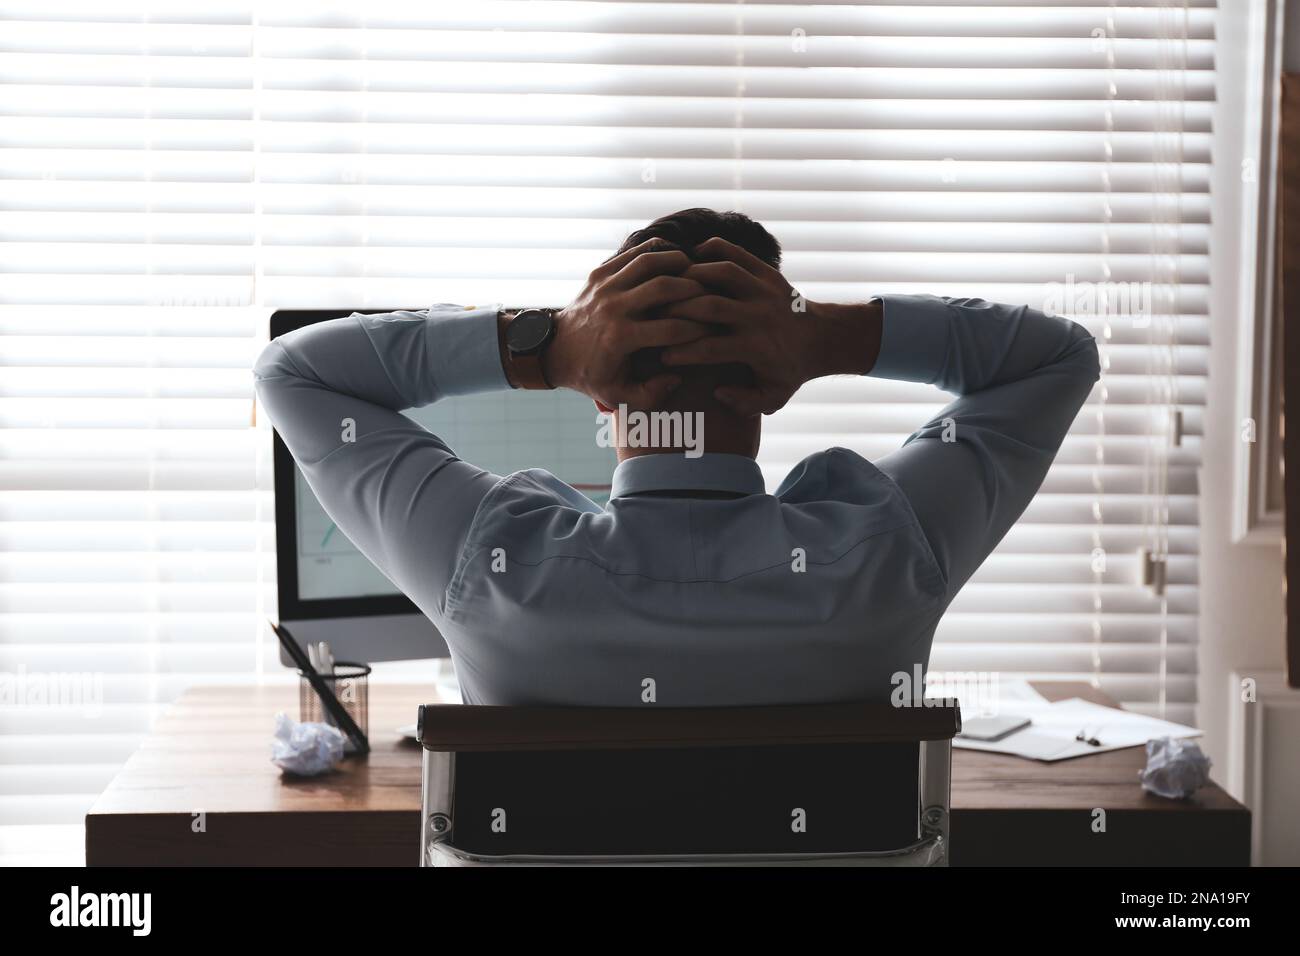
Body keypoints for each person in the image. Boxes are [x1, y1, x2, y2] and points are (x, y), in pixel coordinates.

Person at [254, 208, 1099, 706]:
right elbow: (1058, 358)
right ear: (773, 385)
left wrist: (541, 347)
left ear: (597, 389)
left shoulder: (488, 568)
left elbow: (293, 370)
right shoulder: (890, 553)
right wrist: (828, 332)